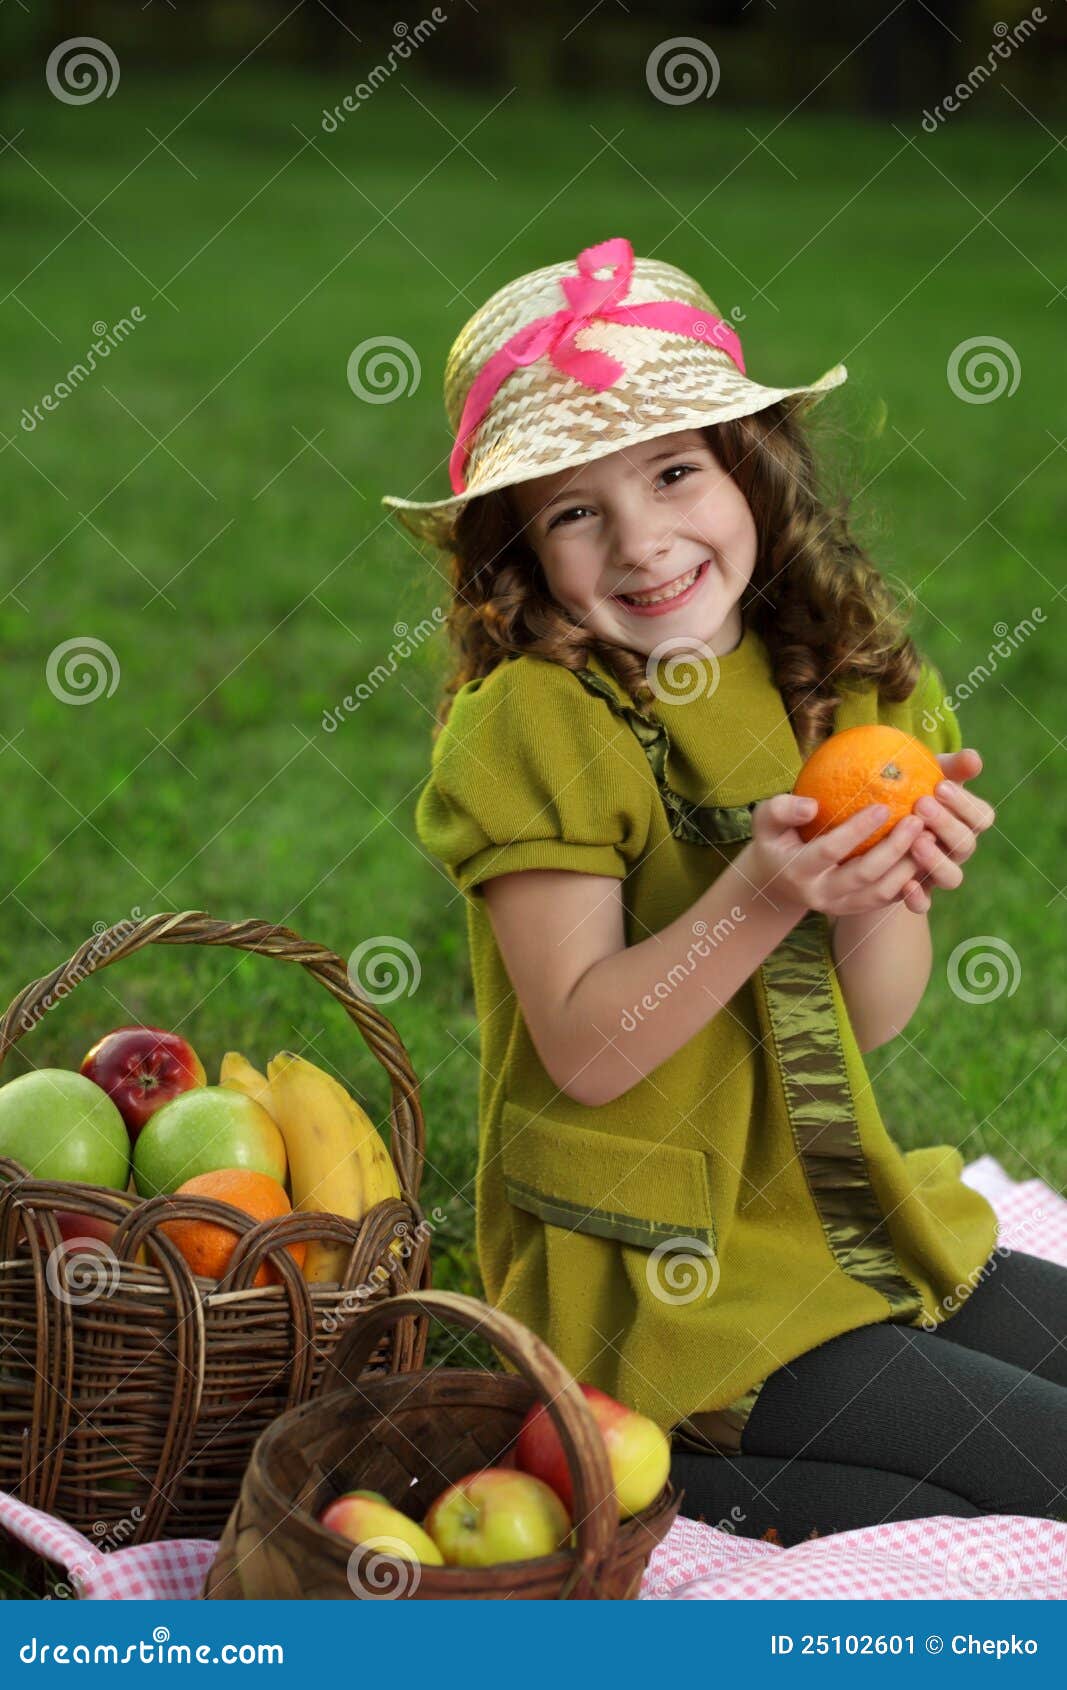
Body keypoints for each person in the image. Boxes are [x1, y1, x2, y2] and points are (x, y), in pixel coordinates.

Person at [383, 235, 1067, 1543]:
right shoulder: (539, 719)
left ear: (751, 466)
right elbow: (585, 1044)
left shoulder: (837, 662)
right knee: (1037, 1474)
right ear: (516, 552)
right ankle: (644, 1456)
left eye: (677, 471)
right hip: (661, 1270)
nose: (644, 542)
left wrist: (876, 888)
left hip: (835, 1208)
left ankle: (724, 1484)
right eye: (575, 509)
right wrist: (761, 887)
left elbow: (867, 1018)